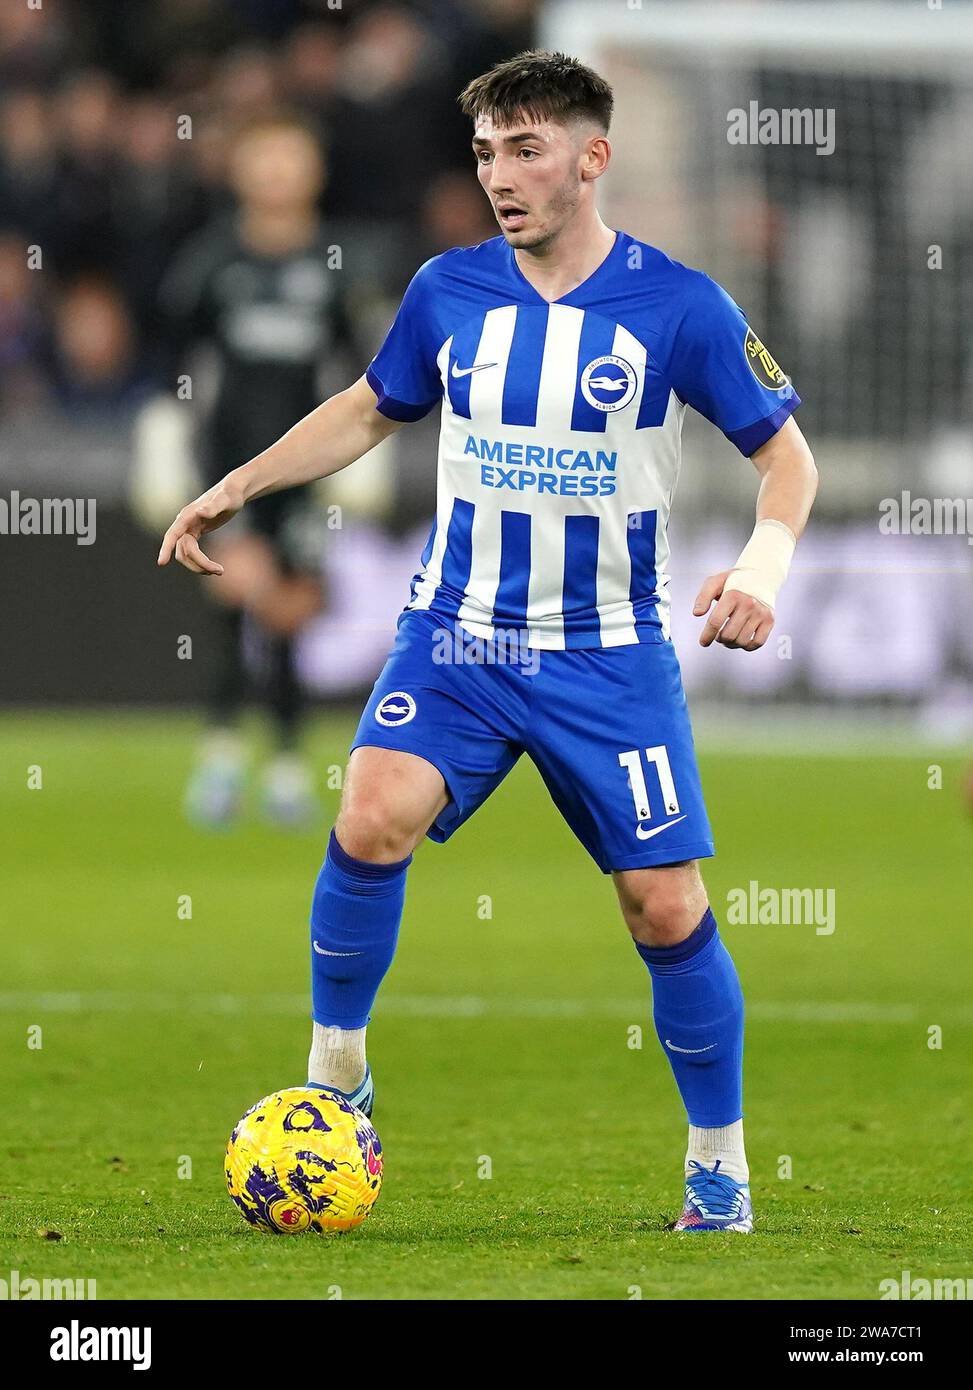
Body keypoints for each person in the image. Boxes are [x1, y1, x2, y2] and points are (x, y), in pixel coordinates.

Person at [159, 51, 818, 1233]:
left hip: (607, 654)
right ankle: (337, 1077)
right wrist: (238, 486)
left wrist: (760, 570)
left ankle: (718, 1162)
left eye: (523, 150)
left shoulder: (678, 305)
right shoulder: (447, 290)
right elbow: (369, 404)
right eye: (483, 154)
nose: (499, 176)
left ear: (590, 157)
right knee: (368, 812)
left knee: (663, 908)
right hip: (456, 637)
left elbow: (785, 457)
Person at [160, 113, 354, 828]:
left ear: (313, 173)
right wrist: (183, 463)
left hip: (302, 478)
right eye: (264, 160)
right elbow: (178, 370)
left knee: (286, 619)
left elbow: (355, 375)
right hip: (225, 470)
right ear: (242, 173)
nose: (277, 175)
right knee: (229, 607)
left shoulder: (334, 266)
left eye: (290, 159)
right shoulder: (213, 263)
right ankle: (217, 761)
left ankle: (286, 768)